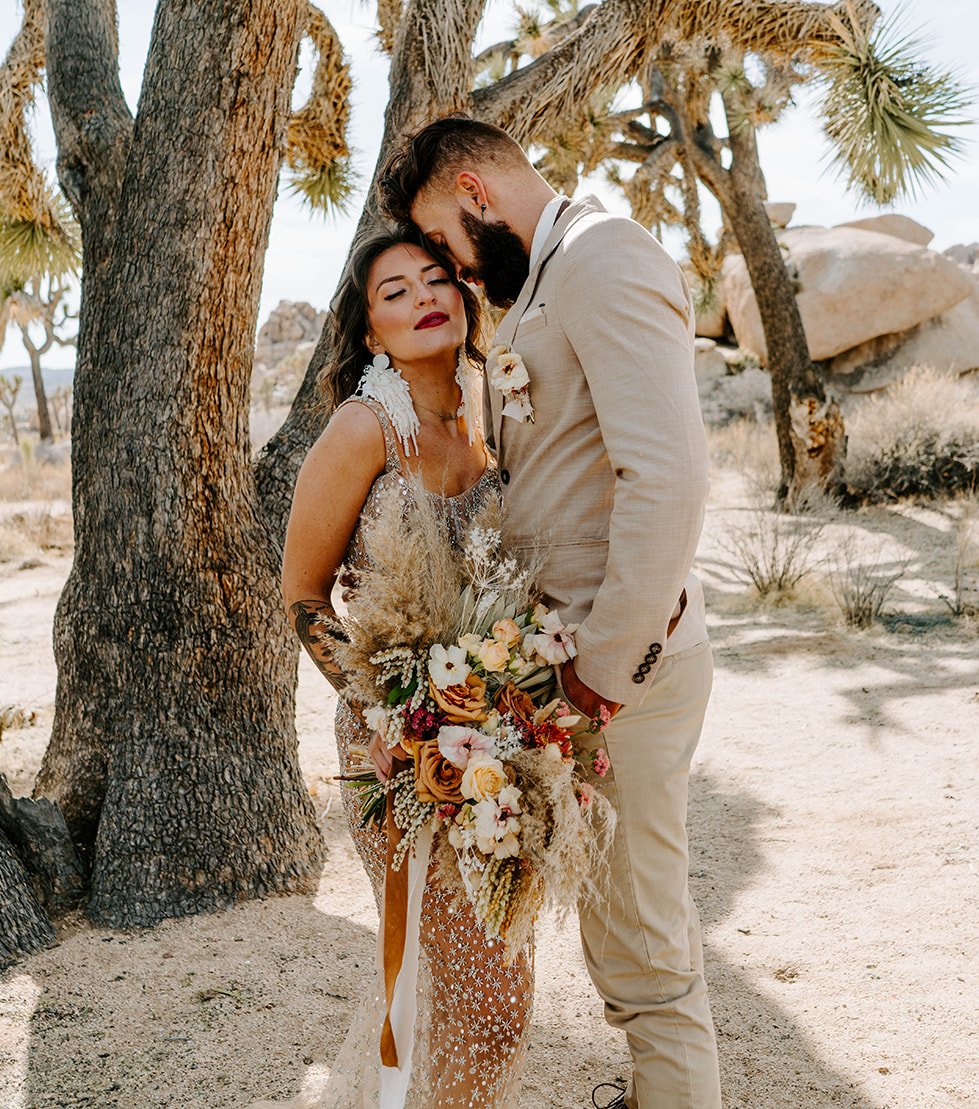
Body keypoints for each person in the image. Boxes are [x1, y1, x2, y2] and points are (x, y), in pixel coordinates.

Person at [377, 116, 720, 1109]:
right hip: (574, 676)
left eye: (441, 237)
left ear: (477, 191)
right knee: (623, 937)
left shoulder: (604, 256)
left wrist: (599, 677)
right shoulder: (547, 282)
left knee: (647, 953)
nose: (444, 265)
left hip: (625, 674)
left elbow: (667, 478)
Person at [279, 227, 531, 1109]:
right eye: (395, 291)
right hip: (400, 748)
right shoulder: (360, 429)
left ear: (464, 301)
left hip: (503, 730)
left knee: (491, 978)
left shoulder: (492, 411)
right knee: (478, 993)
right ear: (372, 332)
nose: (425, 296)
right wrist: (384, 710)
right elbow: (304, 595)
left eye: (437, 279)